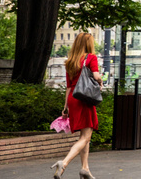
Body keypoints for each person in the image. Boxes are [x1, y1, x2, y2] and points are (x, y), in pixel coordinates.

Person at [53, 33, 102, 179]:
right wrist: (100, 82)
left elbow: (68, 87)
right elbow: (96, 75)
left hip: (73, 98)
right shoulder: (91, 58)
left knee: (83, 135)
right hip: (85, 98)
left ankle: (85, 168)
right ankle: (64, 163)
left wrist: (65, 107)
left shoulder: (71, 61)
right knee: (86, 138)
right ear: (89, 44)